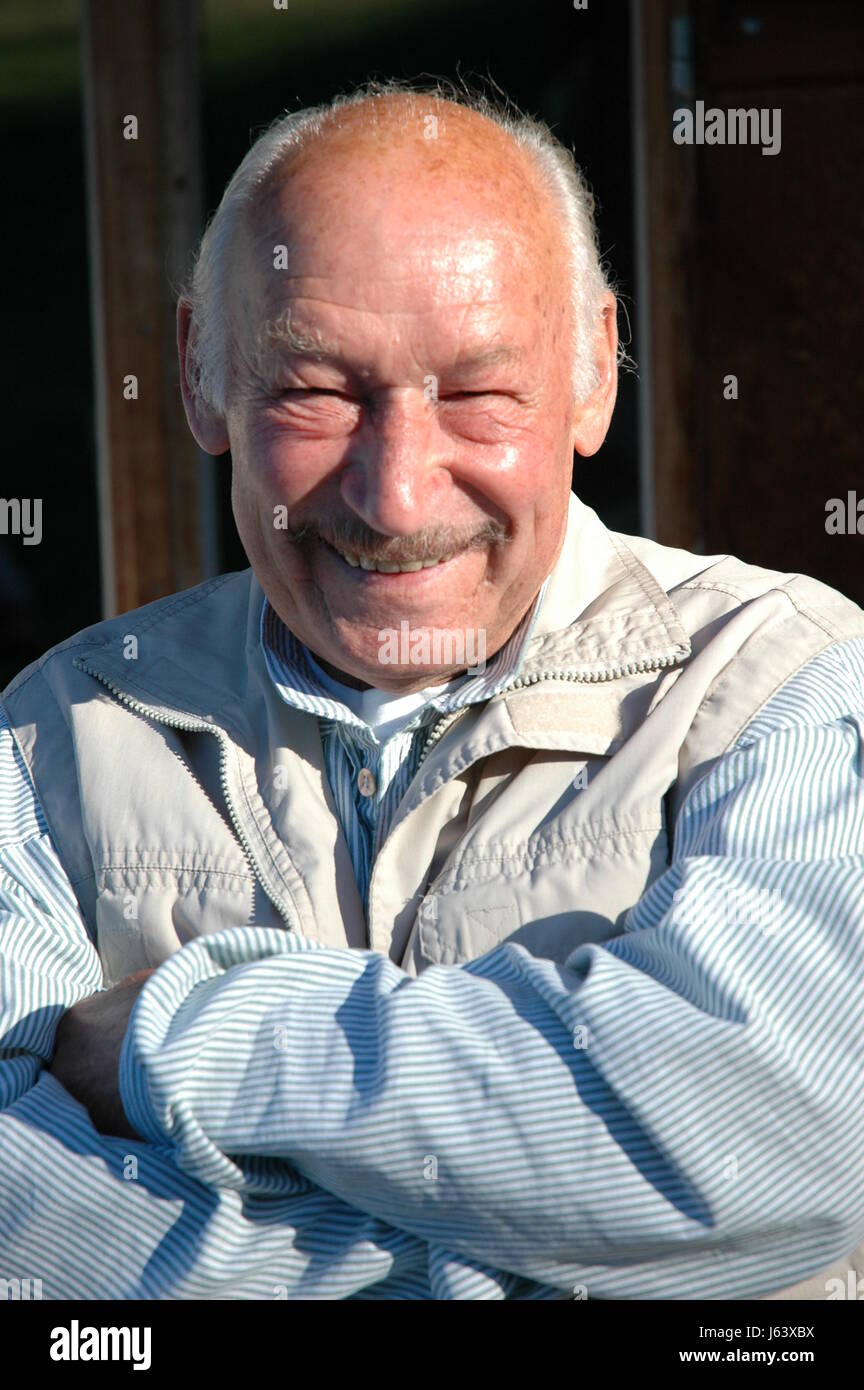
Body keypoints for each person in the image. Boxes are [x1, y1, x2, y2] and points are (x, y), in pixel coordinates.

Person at [2, 79, 863, 1301]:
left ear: (593, 376)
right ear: (201, 373)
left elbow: (770, 1142)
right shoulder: (46, 744)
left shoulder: (784, 684)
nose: (396, 496)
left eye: (477, 392)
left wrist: (179, 1035)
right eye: (319, 390)